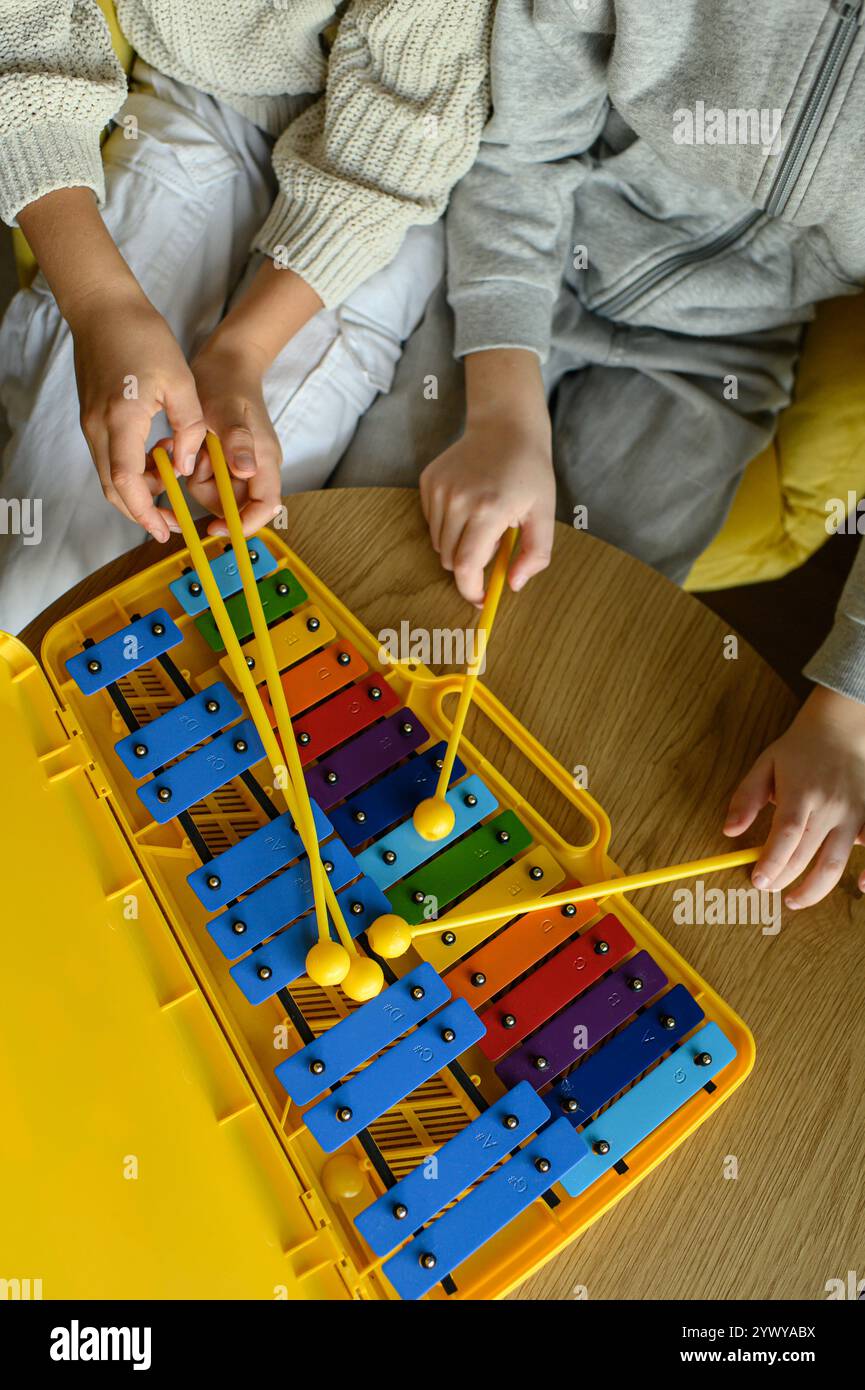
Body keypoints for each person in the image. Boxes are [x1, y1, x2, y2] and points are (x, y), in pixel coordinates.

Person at [331, 0, 865, 909]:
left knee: (566, 662)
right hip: (520, 264)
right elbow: (522, 152)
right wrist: (501, 411)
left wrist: (848, 715)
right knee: (363, 585)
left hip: (722, 355)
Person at [0, 0, 491, 632]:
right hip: (203, 104)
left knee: (201, 610)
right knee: (29, 606)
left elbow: (408, 121)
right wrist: (98, 303)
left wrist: (242, 357)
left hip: (386, 199)